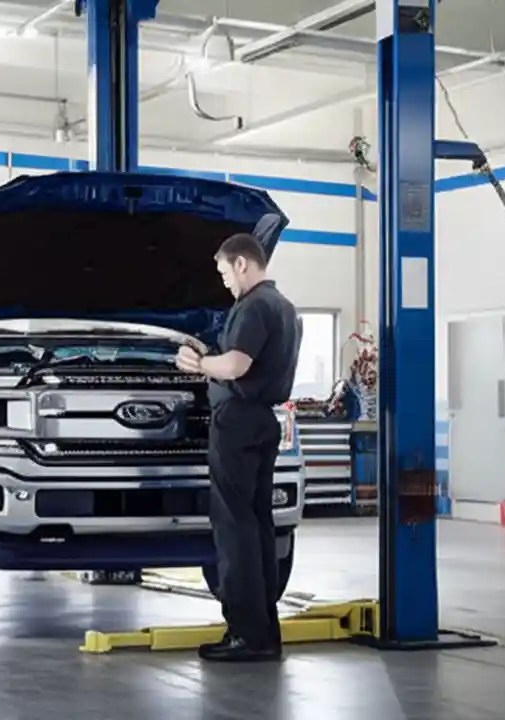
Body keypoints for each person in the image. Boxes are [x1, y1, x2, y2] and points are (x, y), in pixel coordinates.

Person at [175, 232, 301, 663]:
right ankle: (265, 632)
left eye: (225, 272)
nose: (225, 281)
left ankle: (245, 635)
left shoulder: (253, 305)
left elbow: (236, 365)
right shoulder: (284, 308)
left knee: (234, 528)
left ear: (242, 264)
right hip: (264, 421)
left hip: (238, 422)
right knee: (258, 525)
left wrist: (199, 363)